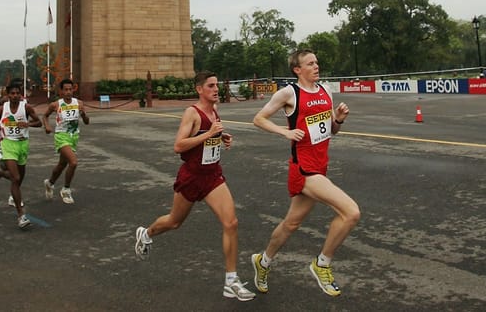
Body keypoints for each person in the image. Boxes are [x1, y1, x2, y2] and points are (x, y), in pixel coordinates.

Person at [133, 71, 255, 302]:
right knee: (174, 221)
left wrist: (221, 138)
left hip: (213, 176)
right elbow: (179, 145)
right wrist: (209, 134)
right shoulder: (193, 112)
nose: (216, 89)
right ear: (199, 89)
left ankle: (231, 281)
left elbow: (206, 138)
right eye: (210, 85)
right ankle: (146, 233)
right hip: (192, 176)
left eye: (217, 85)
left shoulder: (215, 111)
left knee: (231, 222)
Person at [250, 49, 360, 298]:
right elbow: (258, 118)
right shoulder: (290, 93)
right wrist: (284, 132)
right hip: (303, 169)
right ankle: (322, 264)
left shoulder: (325, 91)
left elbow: (330, 131)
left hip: (320, 166)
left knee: (291, 223)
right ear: (297, 70)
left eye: (317, 62)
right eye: (310, 64)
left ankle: (263, 261)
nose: (316, 66)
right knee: (351, 212)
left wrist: (339, 120)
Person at [0, 79, 41, 229]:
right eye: (12, 93)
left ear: (21, 95)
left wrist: (28, 124)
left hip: (23, 144)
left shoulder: (26, 108)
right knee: (16, 177)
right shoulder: (1, 108)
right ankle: (21, 215)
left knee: (18, 180)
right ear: (7, 94)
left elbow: (38, 122)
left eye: (18, 93)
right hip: (8, 144)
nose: (15, 95)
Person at [42, 78, 89, 204]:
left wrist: (84, 115)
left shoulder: (79, 103)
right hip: (61, 136)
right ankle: (66, 189)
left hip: (73, 137)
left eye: (70, 89)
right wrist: (47, 126)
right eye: (65, 90)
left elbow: (86, 122)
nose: (68, 92)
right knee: (73, 162)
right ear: (61, 91)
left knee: (62, 165)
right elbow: (45, 115)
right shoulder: (56, 105)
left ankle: (50, 183)